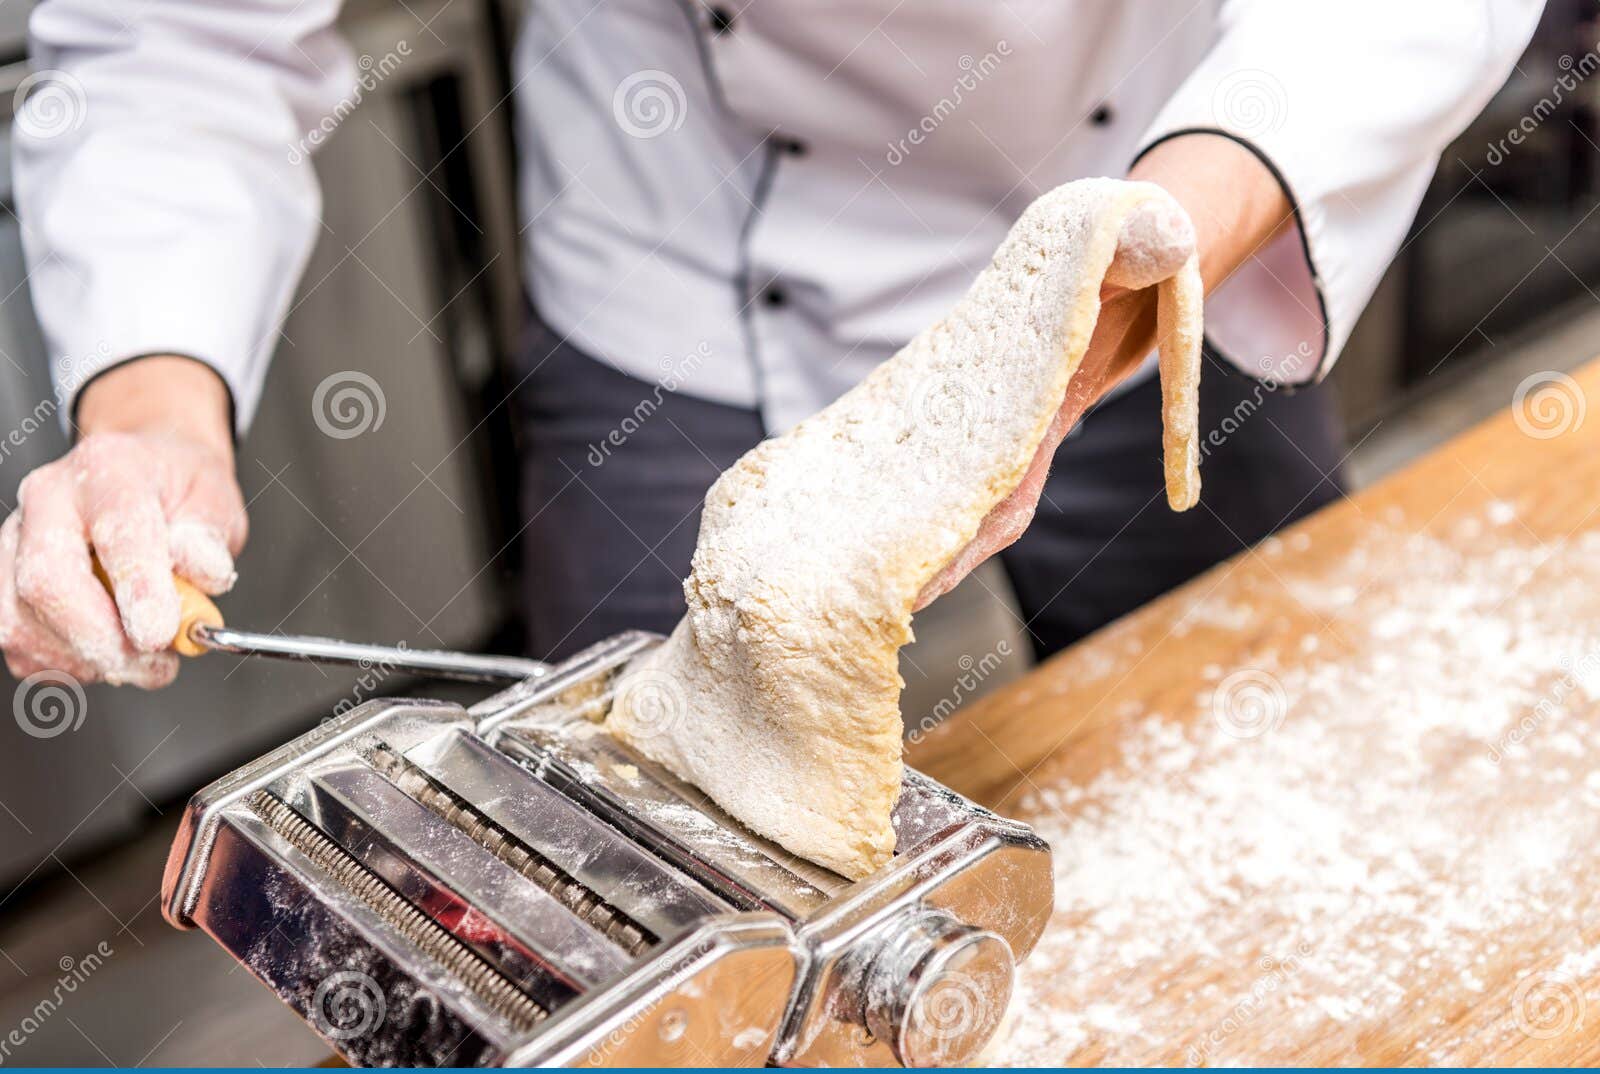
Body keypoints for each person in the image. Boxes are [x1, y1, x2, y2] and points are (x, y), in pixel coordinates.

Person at [0, 0, 1541, 687]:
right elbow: (174, 36)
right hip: (685, 276)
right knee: (653, 888)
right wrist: (149, 410)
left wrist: (1125, 272)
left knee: (1251, 752)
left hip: (1171, 193)